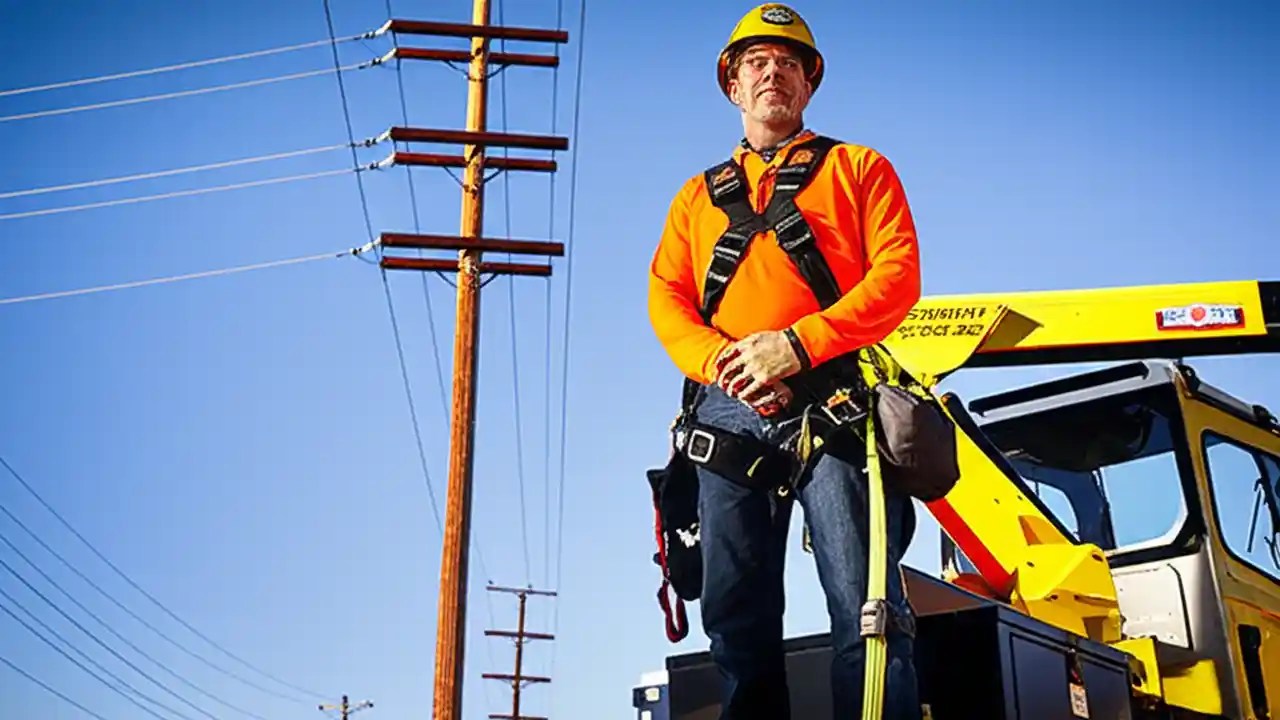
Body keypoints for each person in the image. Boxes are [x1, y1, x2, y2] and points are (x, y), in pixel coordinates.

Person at [646, 3, 924, 719]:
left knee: (866, 604)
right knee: (735, 619)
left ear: (809, 85)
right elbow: (667, 298)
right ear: (732, 86)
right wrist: (724, 362)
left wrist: (795, 345)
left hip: (831, 401)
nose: (774, 74)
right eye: (757, 64)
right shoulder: (695, 200)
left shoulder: (859, 170)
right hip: (726, 411)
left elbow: (897, 278)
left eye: (790, 64)